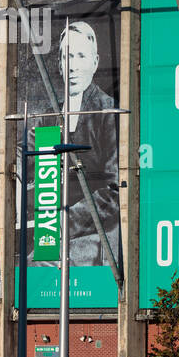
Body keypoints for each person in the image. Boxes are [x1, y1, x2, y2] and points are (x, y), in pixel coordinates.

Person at [29, 21, 120, 267]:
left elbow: (116, 190)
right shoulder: (49, 117)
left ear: (95, 62)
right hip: (52, 228)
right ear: (59, 64)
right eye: (67, 56)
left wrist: (65, 220)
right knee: (23, 265)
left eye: (81, 56)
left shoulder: (107, 112)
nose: (73, 66)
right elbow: (27, 161)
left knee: (38, 265)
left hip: (97, 234)